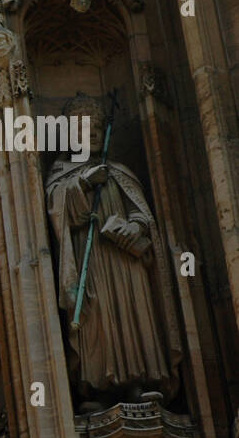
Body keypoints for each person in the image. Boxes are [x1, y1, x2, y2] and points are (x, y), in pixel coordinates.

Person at [45, 94, 181, 407]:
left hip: (125, 261)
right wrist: (82, 183)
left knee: (133, 315)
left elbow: (142, 213)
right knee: (97, 314)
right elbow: (56, 209)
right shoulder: (62, 173)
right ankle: (99, 387)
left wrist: (135, 226)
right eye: (82, 128)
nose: (91, 134)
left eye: (96, 128)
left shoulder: (119, 172)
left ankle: (140, 382)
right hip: (90, 259)